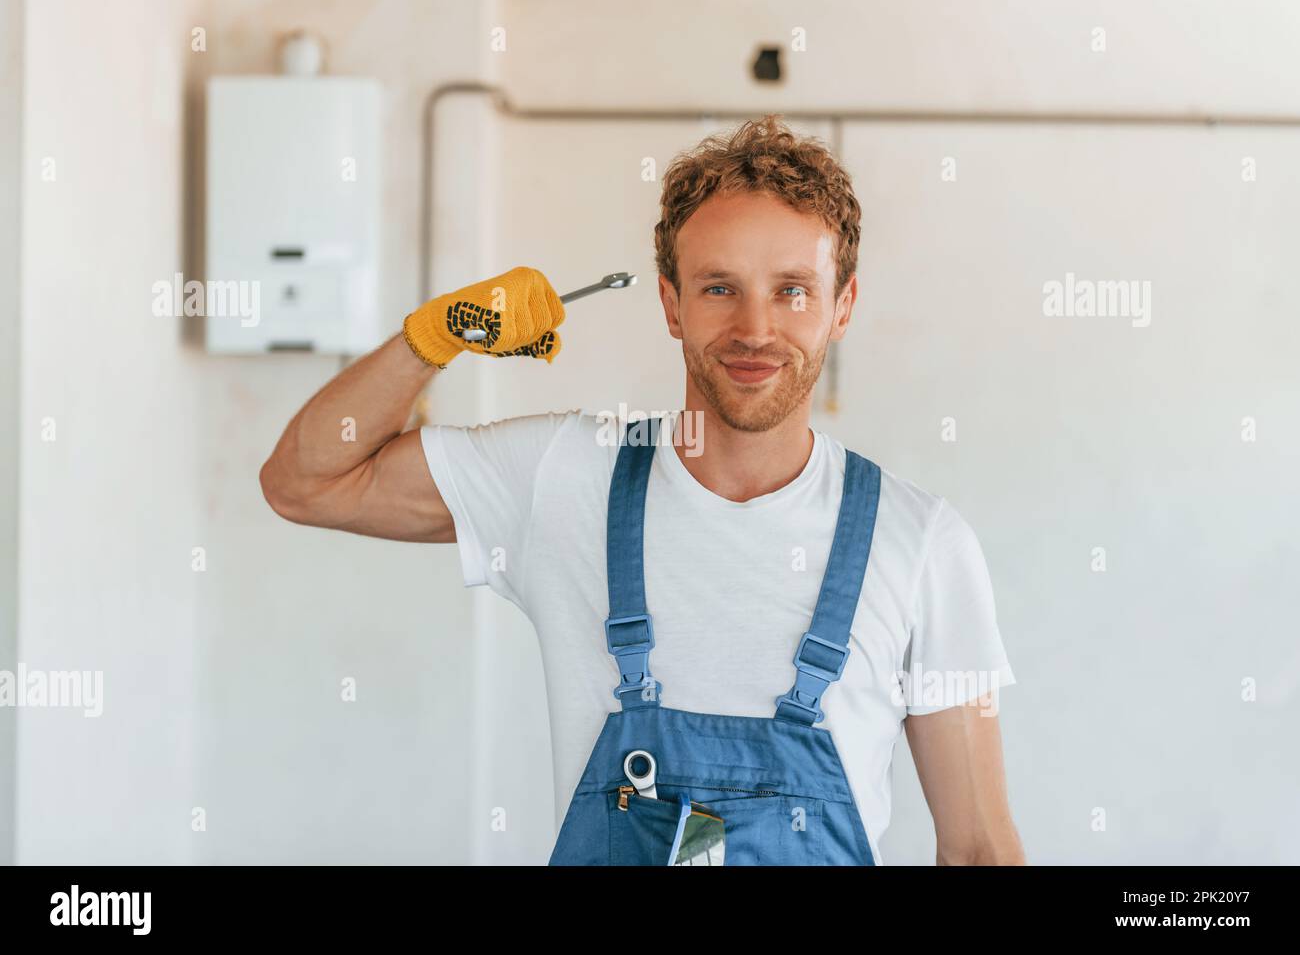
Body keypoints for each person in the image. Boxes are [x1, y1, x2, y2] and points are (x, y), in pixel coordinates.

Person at [260, 114, 1025, 865]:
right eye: (719, 287)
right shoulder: (564, 477)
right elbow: (307, 481)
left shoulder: (921, 543)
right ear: (671, 304)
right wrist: (434, 339)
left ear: (842, 306)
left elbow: (981, 848)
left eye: (792, 290)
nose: (755, 328)